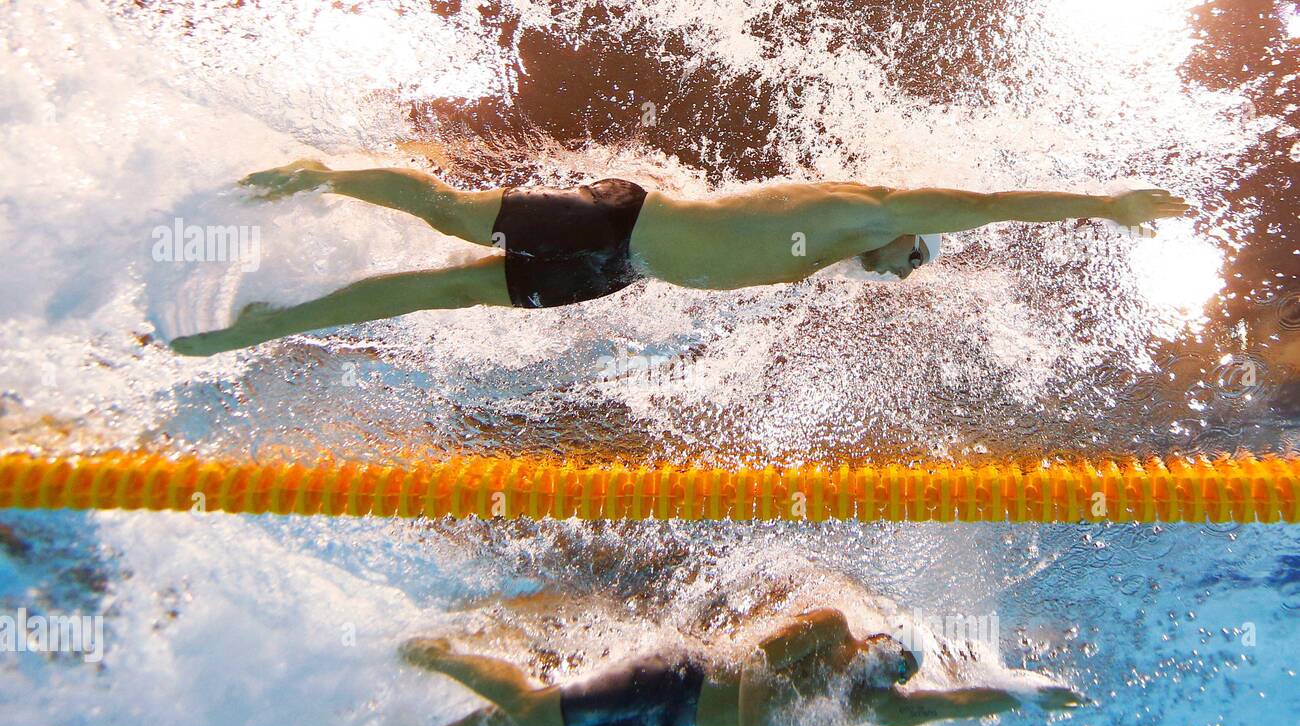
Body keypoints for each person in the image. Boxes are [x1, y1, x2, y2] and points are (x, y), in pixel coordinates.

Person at [169, 159, 1189, 355]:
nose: (909, 269)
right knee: (444, 217)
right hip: (621, 224)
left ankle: (268, 324)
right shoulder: (878, 206)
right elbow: (988, 206)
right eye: (913, 257)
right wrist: (1101, 203)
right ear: (902, 228)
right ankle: (320, 172)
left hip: (624, 269)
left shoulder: (839, 254)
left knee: (441, 292)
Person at [391, 607, 1081, 726]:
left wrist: (1026, 691)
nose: (888, 673)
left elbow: (956, 702)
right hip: (674, 681)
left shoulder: (875, 707)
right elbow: (752, 663)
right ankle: (433, 658)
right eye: (889, 656)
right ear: (874, 638)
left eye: (900, 674)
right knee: (535, 711)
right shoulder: (827, 628)